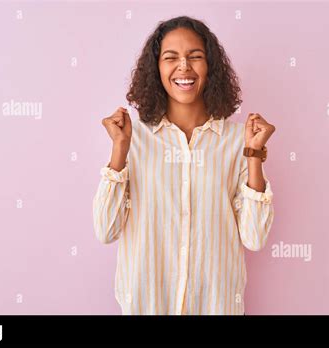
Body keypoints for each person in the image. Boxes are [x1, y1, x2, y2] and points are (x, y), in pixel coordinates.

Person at [93, 15, 276, 315]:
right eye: (171, 57)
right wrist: (120, 149)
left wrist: (253, 155)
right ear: (156, 69)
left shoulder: (236, 140)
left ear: (210, 68)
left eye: (195, 57)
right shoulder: (132, 137)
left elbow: (255, 237)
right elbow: (105, 230)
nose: (184, 67)